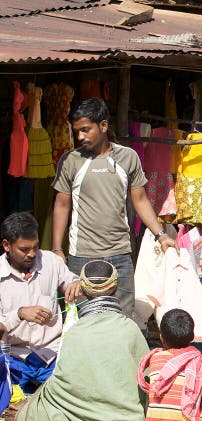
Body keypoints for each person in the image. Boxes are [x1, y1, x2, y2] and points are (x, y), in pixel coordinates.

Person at [51, 98, 176, 319]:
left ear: (103, 125)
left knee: (123, 318)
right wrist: (57, 250)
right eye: (77, 131)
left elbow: (140, 199)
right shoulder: (71, 160)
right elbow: (62, 204)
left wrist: (161, 236)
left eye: (86, 130)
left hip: (120, 255)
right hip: (81, 255)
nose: (80, 137)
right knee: (83, 320)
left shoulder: (127, 157)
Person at [13, 260, 149, 421]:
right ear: (115, 287)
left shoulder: (76, 332)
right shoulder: (130, 329)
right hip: (126, 411)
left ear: (83, 290)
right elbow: (146, 374)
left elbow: (64, 381)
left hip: (85, 415)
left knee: (38, 407)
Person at [0, 212, 81, 409]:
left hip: (52, 354)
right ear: (6, 245)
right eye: (24, 249)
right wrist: (19, 314)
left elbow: (73, 282)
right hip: (15, 358)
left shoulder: (51, 261)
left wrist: (77, 284)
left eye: (35, 247)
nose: (32, 253)